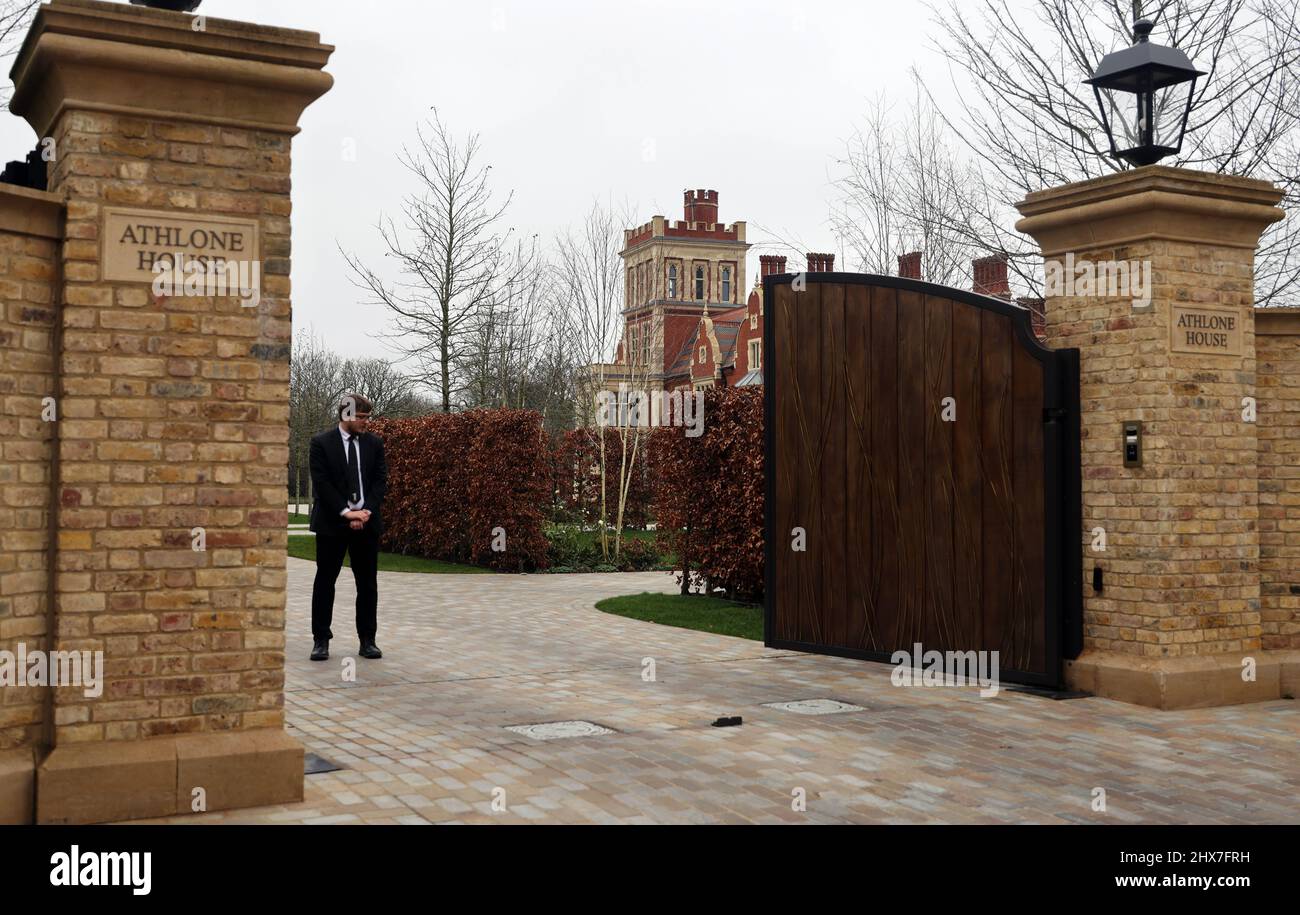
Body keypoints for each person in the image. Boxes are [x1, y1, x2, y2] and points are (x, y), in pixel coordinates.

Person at [308, 393, 388, 661]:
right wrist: (346, 512)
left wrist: (366, 512)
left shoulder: (374, 444)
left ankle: (368, 640)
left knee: (367, 584)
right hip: (332, 524)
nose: (367, 422)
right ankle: (321, 640)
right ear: (346, 415)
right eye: (362, 417)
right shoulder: (321, 443)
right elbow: (322, 484)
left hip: (367, 523)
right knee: (325, 581)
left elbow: (380, 481)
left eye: (368, 417)